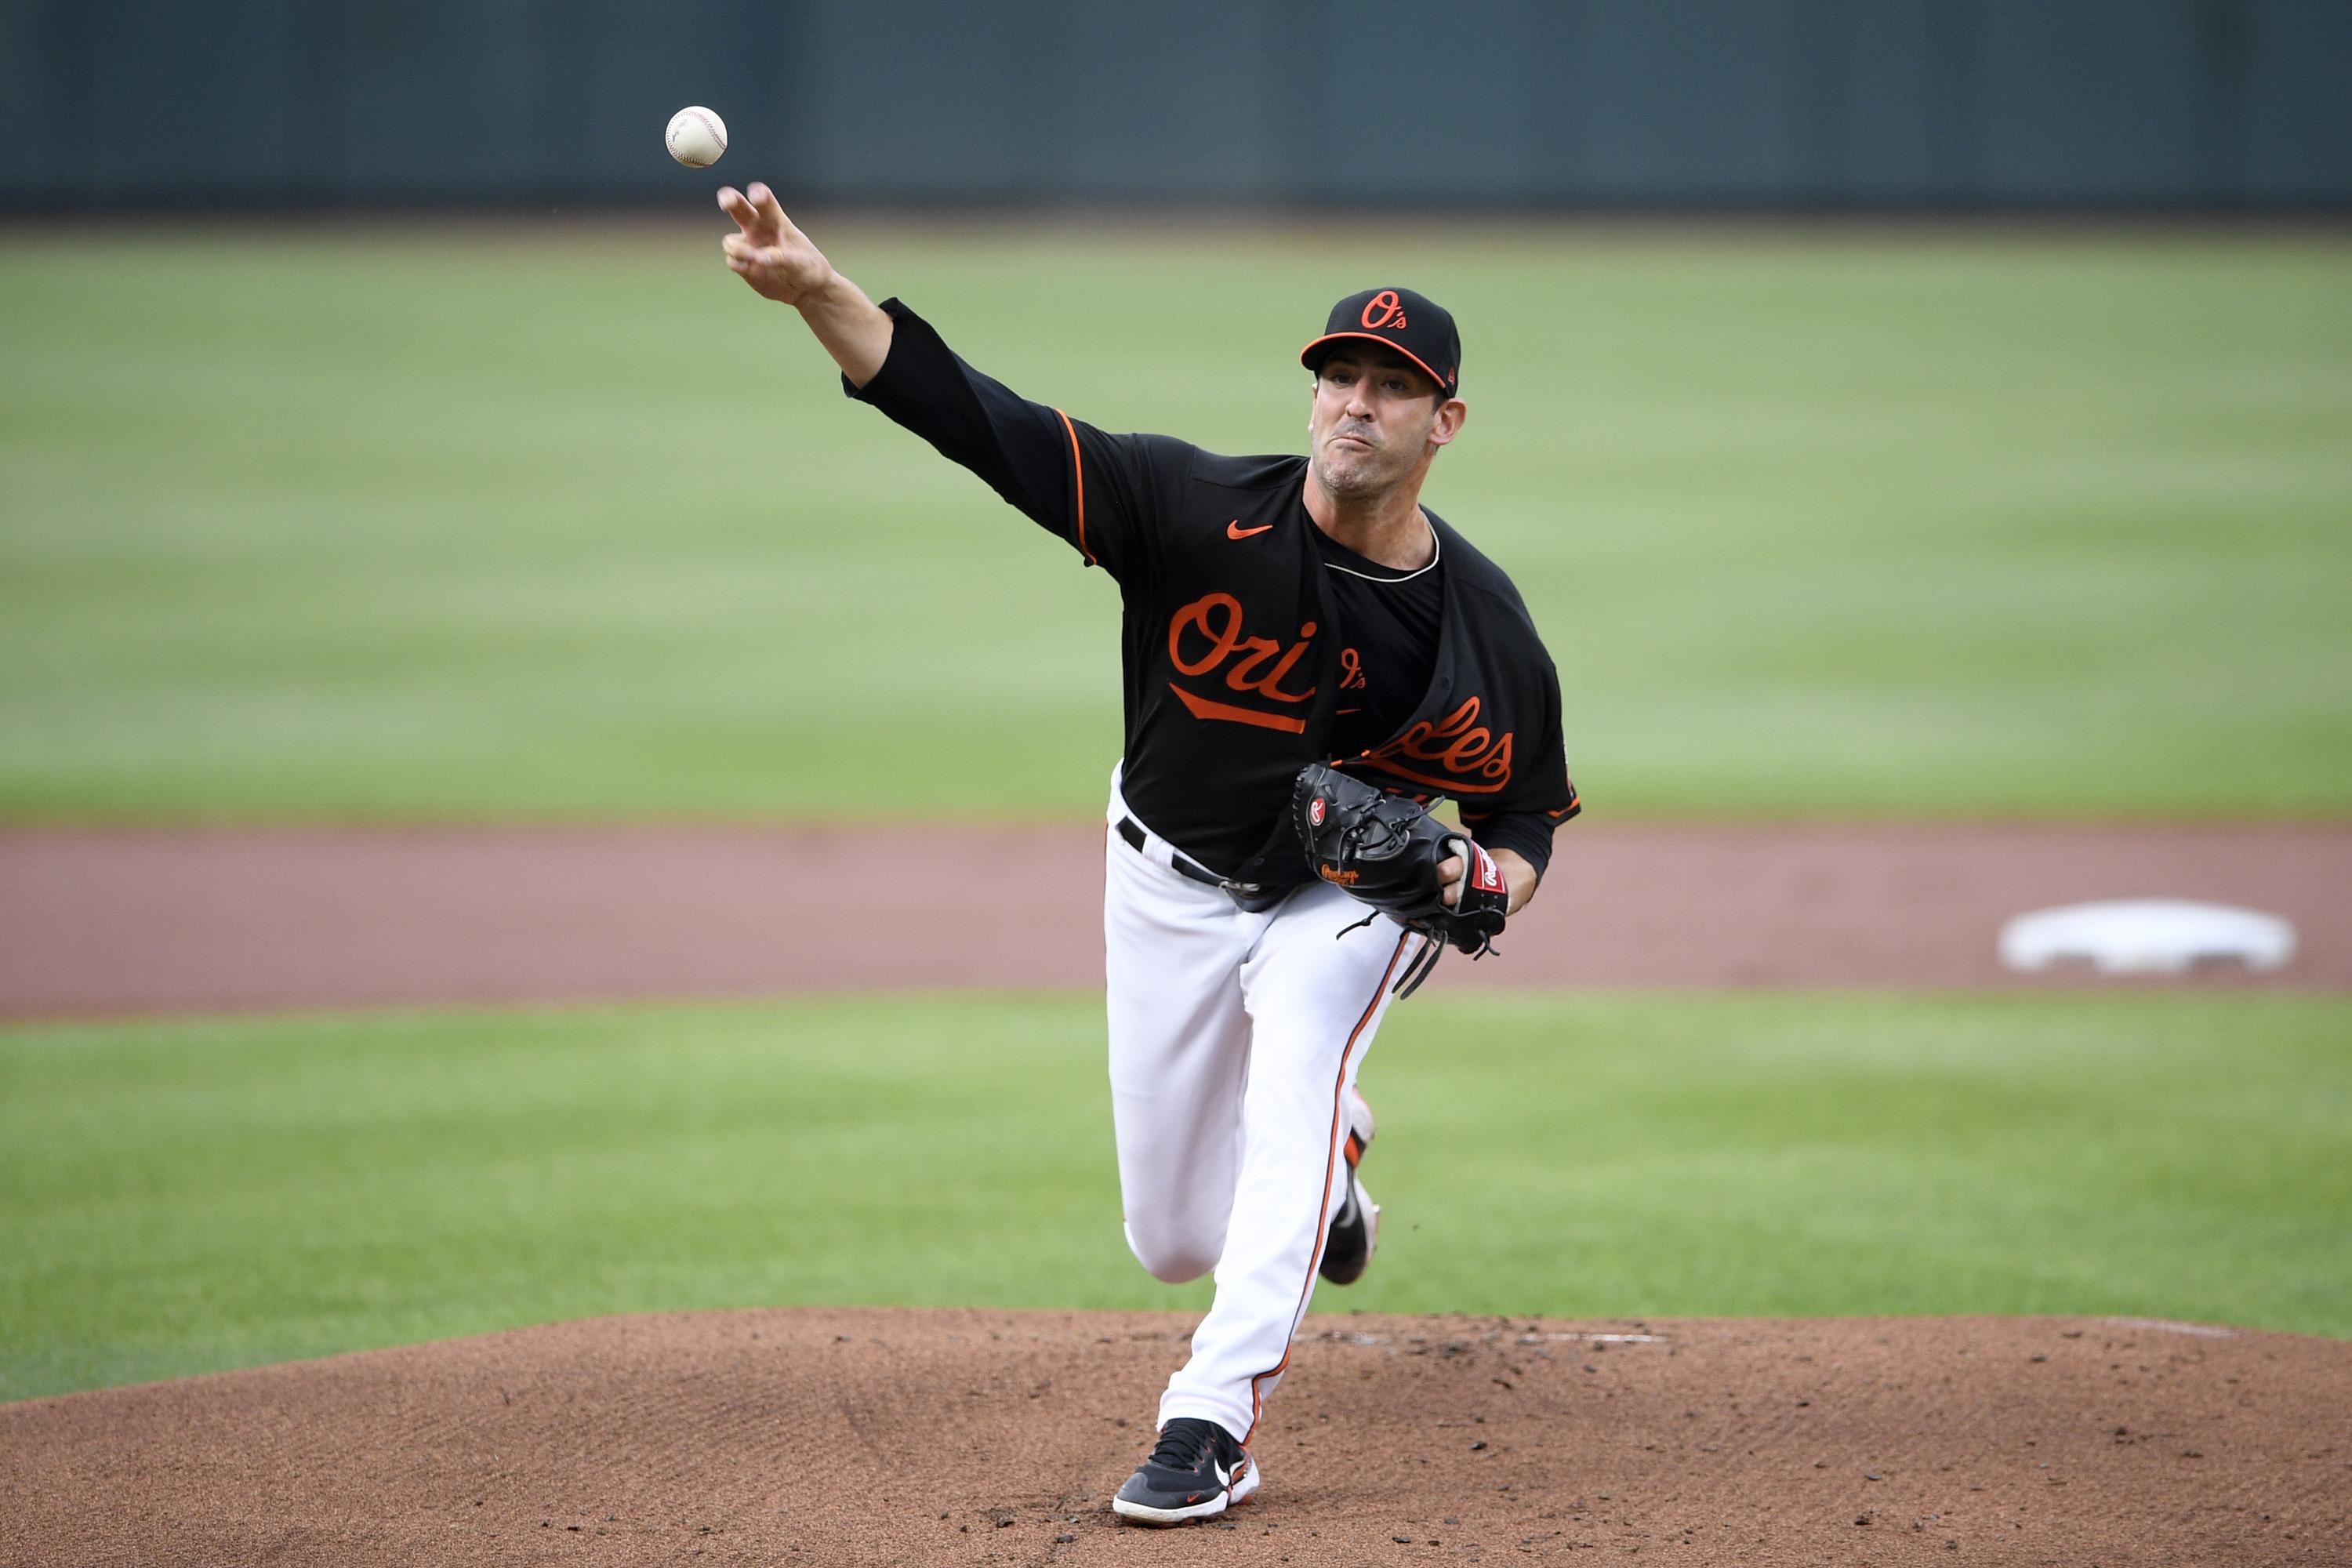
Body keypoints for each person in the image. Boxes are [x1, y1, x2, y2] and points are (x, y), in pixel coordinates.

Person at [717, 183, 1578, 1526]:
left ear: (1442, 422)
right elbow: (976, 419)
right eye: (1339, 375)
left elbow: (1524, 818)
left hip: (1344, 905)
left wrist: (1482, 884)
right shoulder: (1190, 509)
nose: (1357, 403)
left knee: (1300, 1045)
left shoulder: (1484, 631)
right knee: (1173, 1237)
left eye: (1392, 388)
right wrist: (824, 293)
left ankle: (1210, 1422)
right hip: (1162, 876)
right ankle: (1336, 1167)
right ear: (1310, 398)